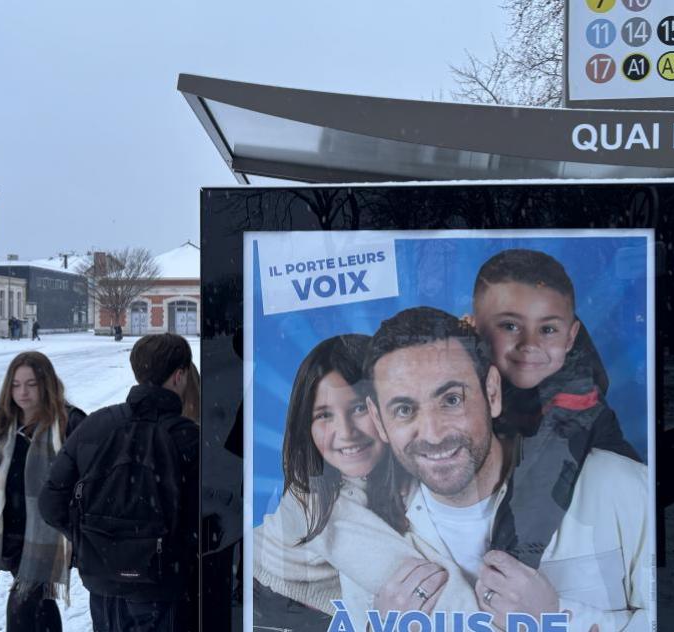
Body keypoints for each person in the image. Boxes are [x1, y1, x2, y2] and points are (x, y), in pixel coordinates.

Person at [364, 307, 649, 630]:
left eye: (452, 400)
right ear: (378, 422)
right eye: (404, 409)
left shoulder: (622, 488)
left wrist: (555, 620)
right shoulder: (366, 531)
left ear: (492, 393)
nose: (433, 433)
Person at [252, 335, 476, 632]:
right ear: (306, 425)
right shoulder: (315, 501)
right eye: (324, 415)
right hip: (267, 603)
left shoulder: (405, 472)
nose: (346, 433)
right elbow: (428, 588)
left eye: (358, 408)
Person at [470, 249, 640, 567]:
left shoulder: (574, 394)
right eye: (509, 326)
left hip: (602, 519)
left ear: (571, 337)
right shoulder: (475, 355)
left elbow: (538, 488)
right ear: (472, 326)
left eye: (547, 330)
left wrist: (505, 566)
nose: (529, 344)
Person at [39, 333, 199, 632]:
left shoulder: (96, 426)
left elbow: (50, 503)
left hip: (103, 584)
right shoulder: (188, 438)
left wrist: (92, 540)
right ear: (179, 376)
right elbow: (202, 517)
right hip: (164, 586)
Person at [0, 351, 86, 631]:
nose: (22, 392)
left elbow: (87, 477)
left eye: (31, 384)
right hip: (10, 535)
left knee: (24, 602)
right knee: (38, 605)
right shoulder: (1, 424)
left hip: (49, 534)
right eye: (15, 384)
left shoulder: (70, 423)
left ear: (46, 384)